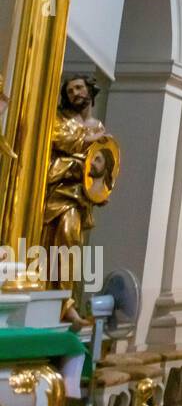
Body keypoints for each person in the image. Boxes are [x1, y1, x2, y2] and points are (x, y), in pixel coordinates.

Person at [43, 75, 118, 325]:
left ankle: (68, 300)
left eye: (79, 88)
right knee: (63, 240)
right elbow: (58, 140)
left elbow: (101, 163)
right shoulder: (61, 120)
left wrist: (100, 190)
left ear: (90, 90)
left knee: (73, 248)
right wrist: (86, 141)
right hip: (58, 194)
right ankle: (64, 305)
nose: (75, 93)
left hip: (80, 199)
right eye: (70, 90)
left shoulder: (97, 126)